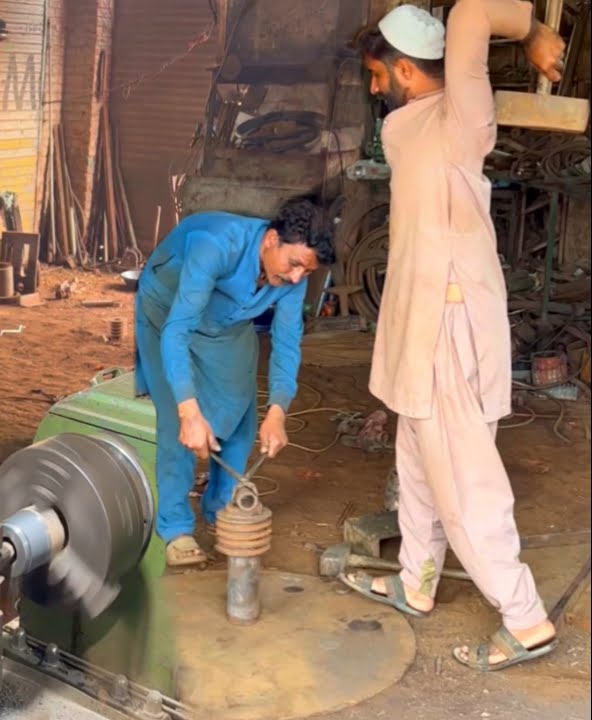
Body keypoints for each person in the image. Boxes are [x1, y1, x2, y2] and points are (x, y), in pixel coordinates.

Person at [345, 2, 565, 671]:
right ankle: (416, 581)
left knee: (463, 477)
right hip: (419, 321)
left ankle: (524, 618)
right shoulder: (411, 126)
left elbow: (472, 11)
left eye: (379, 74)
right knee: (415, 457)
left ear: (407, 70)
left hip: (447, 321)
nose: (373, 86)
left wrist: (533, 33)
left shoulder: (461, 118)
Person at [134, 197, 335, 567]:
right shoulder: (217, 245)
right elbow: (178, 331)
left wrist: (278, 411)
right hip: (169, 314)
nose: (296, 279)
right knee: (177, 418)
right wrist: (189, 410)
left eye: (306, 273)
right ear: (271, 239)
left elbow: (287, 344)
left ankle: (223, 506)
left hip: (227, 323)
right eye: (293, 265)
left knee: (240, 407)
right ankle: (176, 527)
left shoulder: (292, 278)